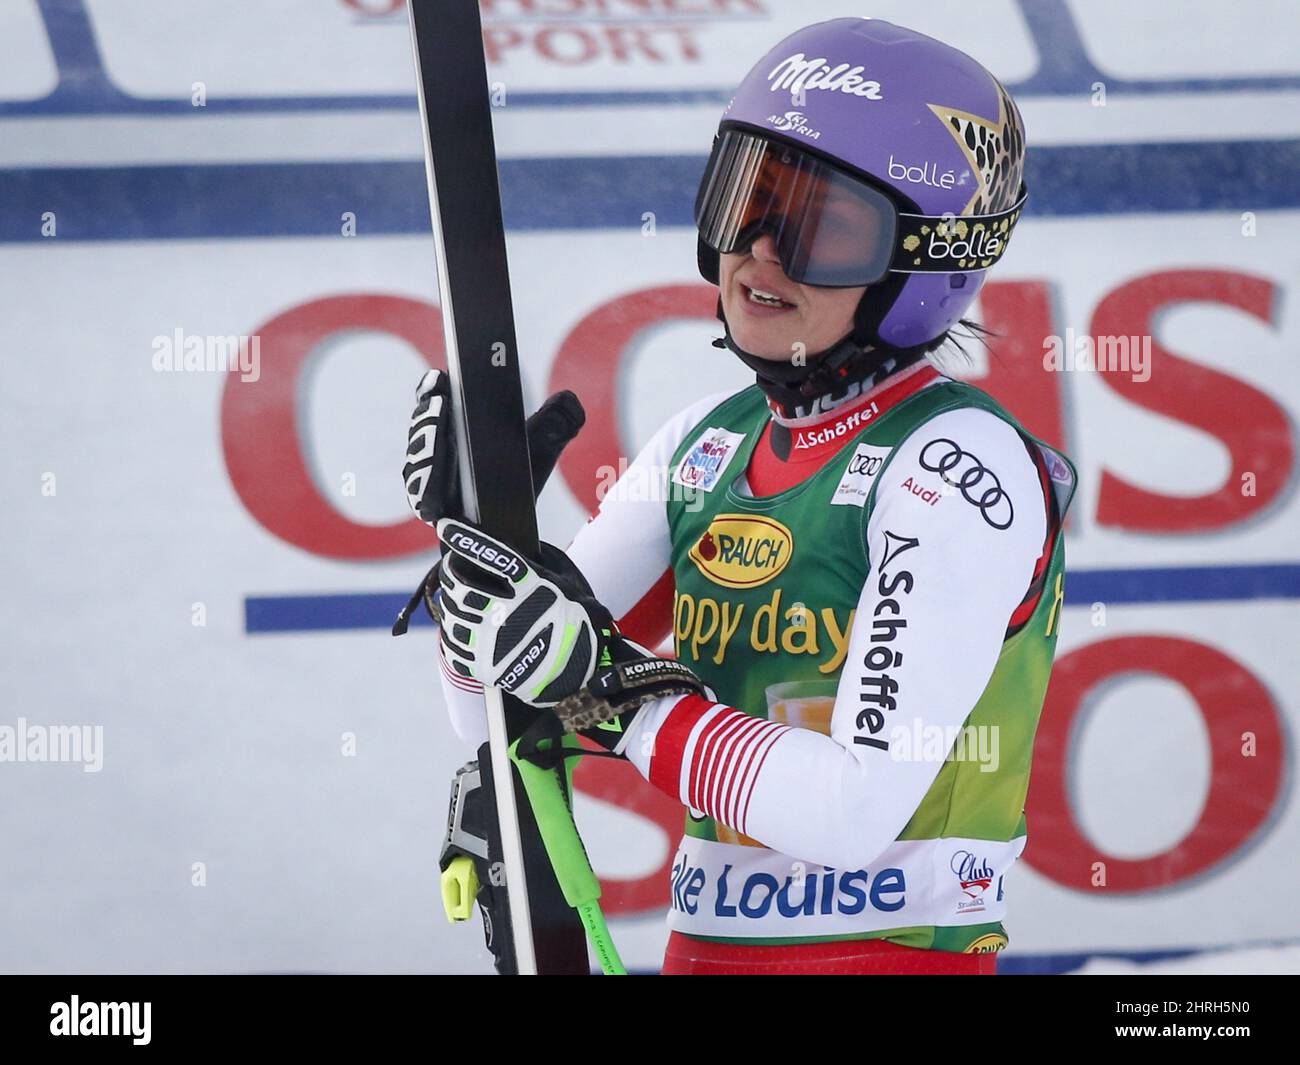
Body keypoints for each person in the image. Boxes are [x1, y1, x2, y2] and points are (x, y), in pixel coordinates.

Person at [402, 17, 1076, 976]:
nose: (759, 251)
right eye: (744, 198)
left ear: (926, 263)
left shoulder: (955, 464)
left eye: (820, 227)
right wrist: (475, 563)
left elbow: (853, 809)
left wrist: (610, 691)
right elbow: (498, 713)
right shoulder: (705, 445)